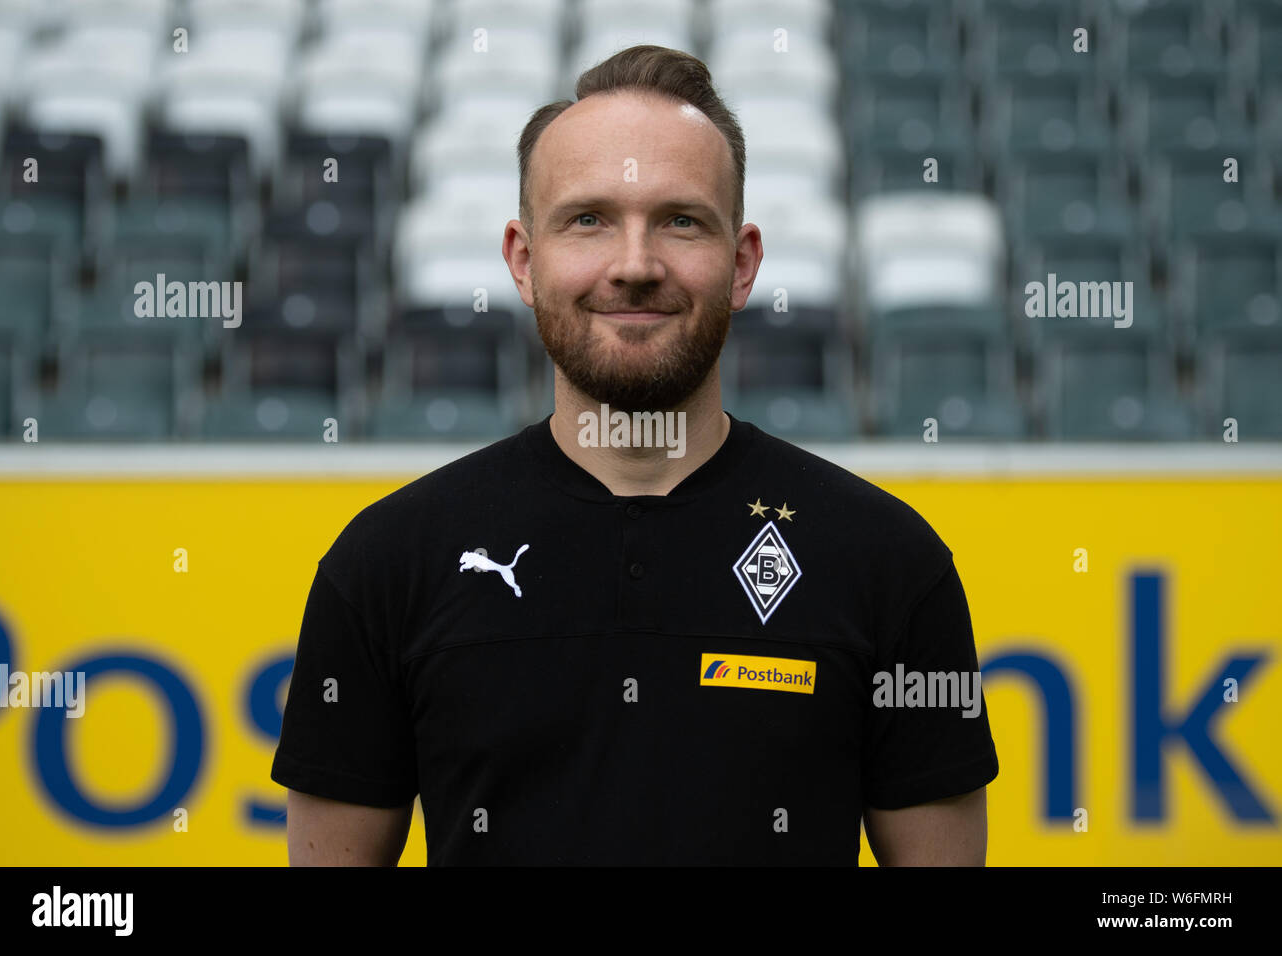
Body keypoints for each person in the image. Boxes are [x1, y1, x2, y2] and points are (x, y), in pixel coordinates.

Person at [271, 45, 997, 865]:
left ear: (743, 262)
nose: (635, 266)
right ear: (521, 258)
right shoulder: (386, 564)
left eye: (681, 221)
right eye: (589, 219)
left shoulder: (892, 564)